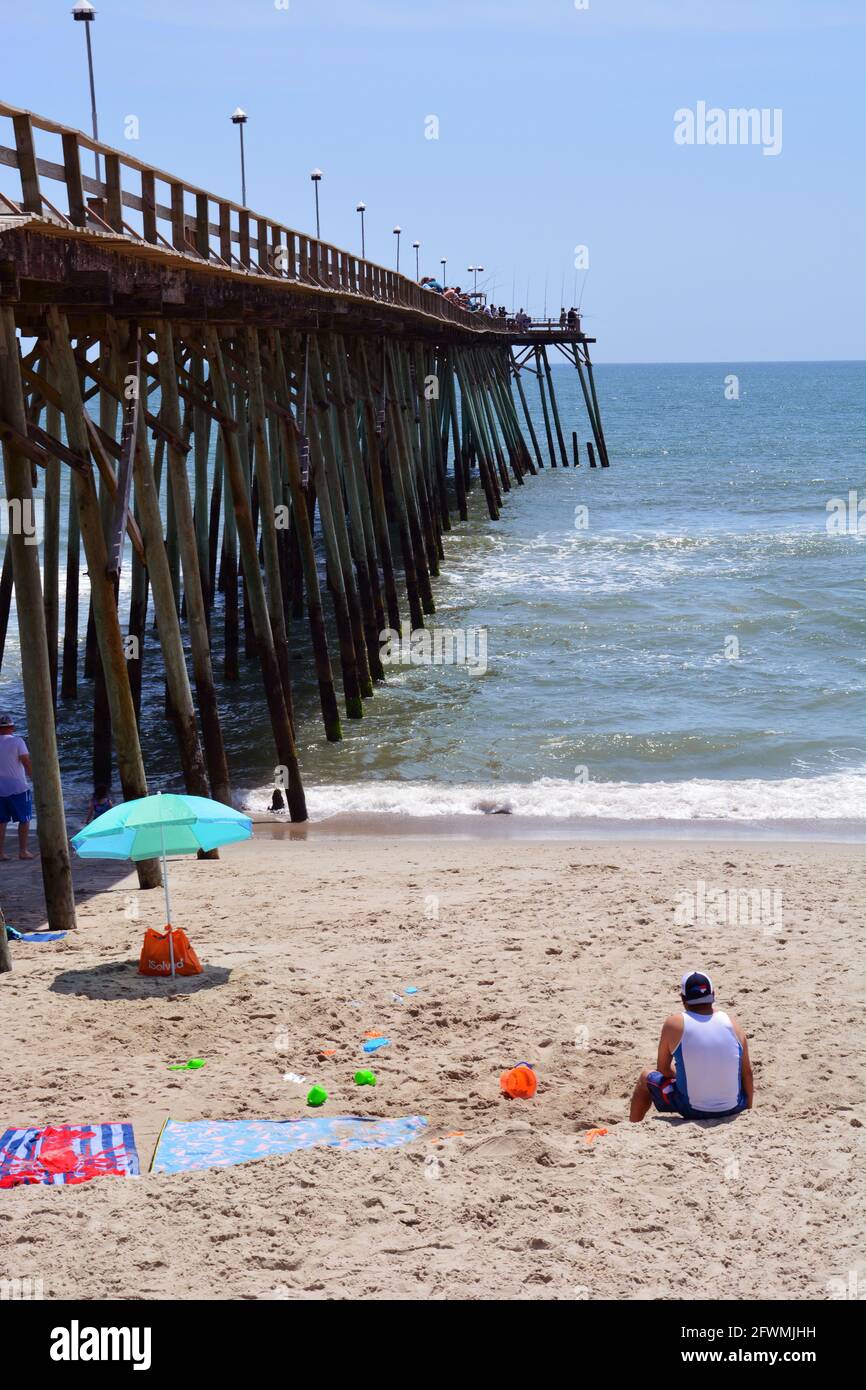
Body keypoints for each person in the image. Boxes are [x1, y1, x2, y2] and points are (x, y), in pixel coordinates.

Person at [629, 971, 753, 1122]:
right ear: (713, 995)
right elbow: (747, 1073)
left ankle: (632, 1126)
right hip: (733, 1107)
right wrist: (748, 1110)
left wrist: (687, 1075)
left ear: (683, 999)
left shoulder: (674, 1024)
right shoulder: (733, 1024)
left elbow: (663, 1069)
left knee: (645, 1077)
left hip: (691, 1109)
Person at [0, 712, 34, 860]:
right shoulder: (18, 741)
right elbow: (26, 761)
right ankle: (23, 851)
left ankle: (0, 853)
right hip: (18, 787)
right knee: (24, 819)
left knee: (1, 821)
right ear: (12, 727)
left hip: (0, 788)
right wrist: (34, 778)